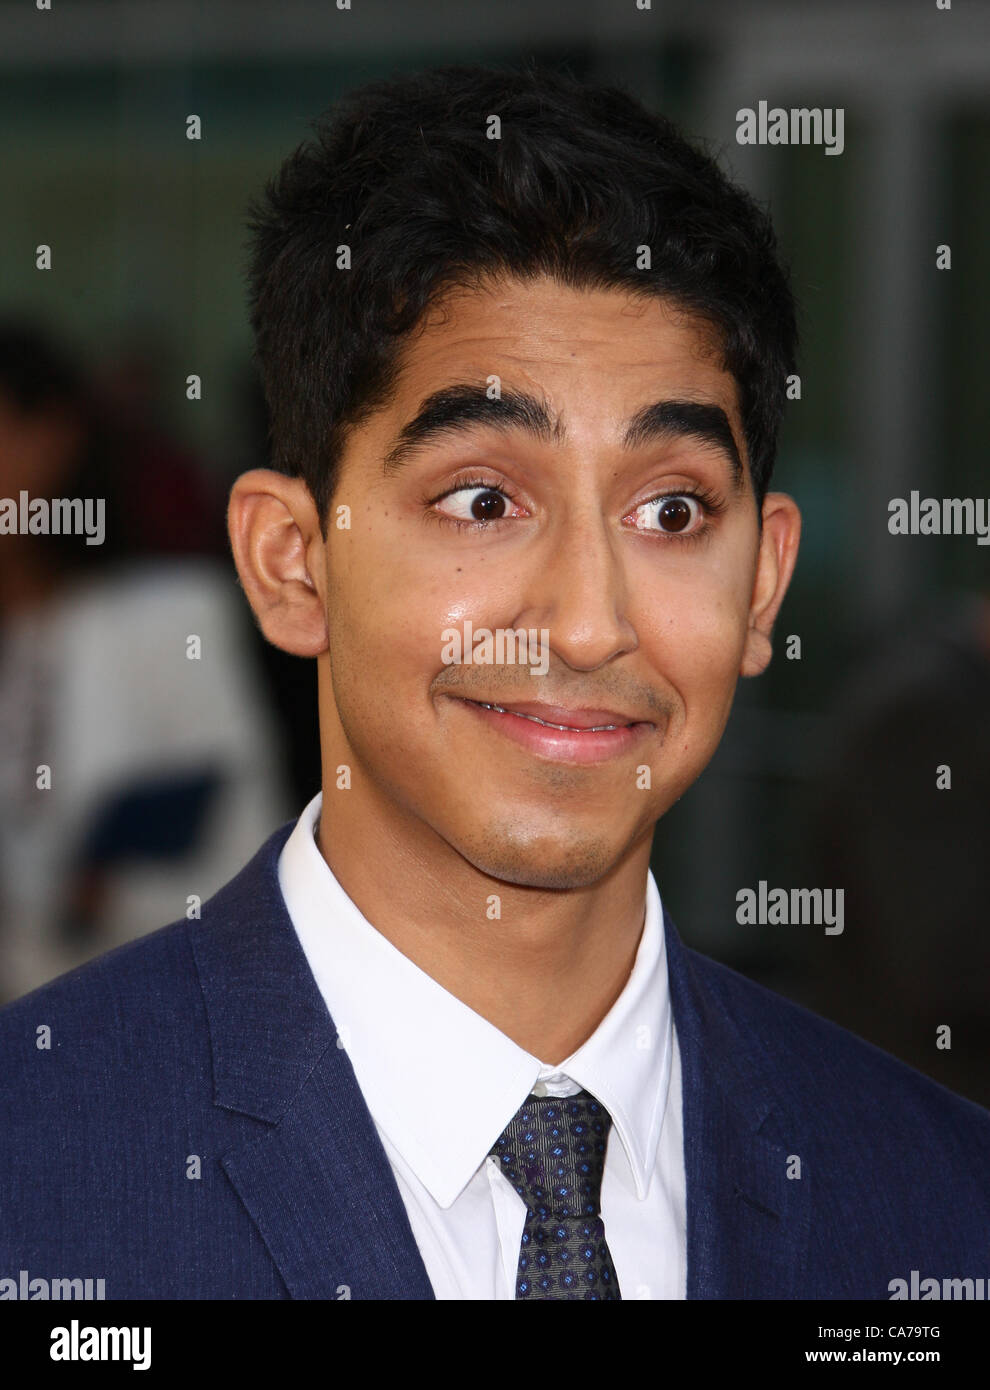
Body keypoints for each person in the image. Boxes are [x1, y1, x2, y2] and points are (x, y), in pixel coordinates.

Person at [1, 62, 987, 1302]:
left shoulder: (941, 1207)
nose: (585, 624)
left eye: (673, 509)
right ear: (291, 561)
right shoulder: (37, 1181)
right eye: (483, 499)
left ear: (765, 583)